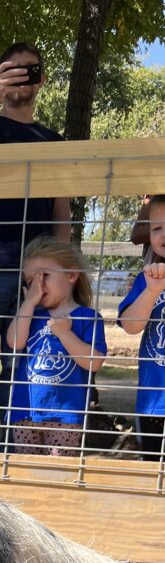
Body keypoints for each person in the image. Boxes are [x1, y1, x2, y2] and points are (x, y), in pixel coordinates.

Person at [0, 43, 72, 414]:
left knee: (23, 363)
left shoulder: (53, 141)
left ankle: (12, 439)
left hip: (35, 272)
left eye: (29, 70)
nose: (21, 77)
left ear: (42, 79)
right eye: (11, 69)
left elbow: (61, 209)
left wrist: (59, 268)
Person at [7, 237, 106, 456]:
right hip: (26, 410)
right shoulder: (31, 314)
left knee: (59, 471)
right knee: (26, 469)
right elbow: (14, 343)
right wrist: (28, 303)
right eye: (30, 281)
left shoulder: (88, 317)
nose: (37, 286)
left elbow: (94, 362)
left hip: (66, 415)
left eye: (44, 276)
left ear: (71, 275)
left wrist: (64, 333)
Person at [118, 194, 165, 461]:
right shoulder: (145, 279)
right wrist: (151, 292)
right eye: (157, 228)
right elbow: (130, 326)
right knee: (153, 468)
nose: (163, 234)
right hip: (155, 404)